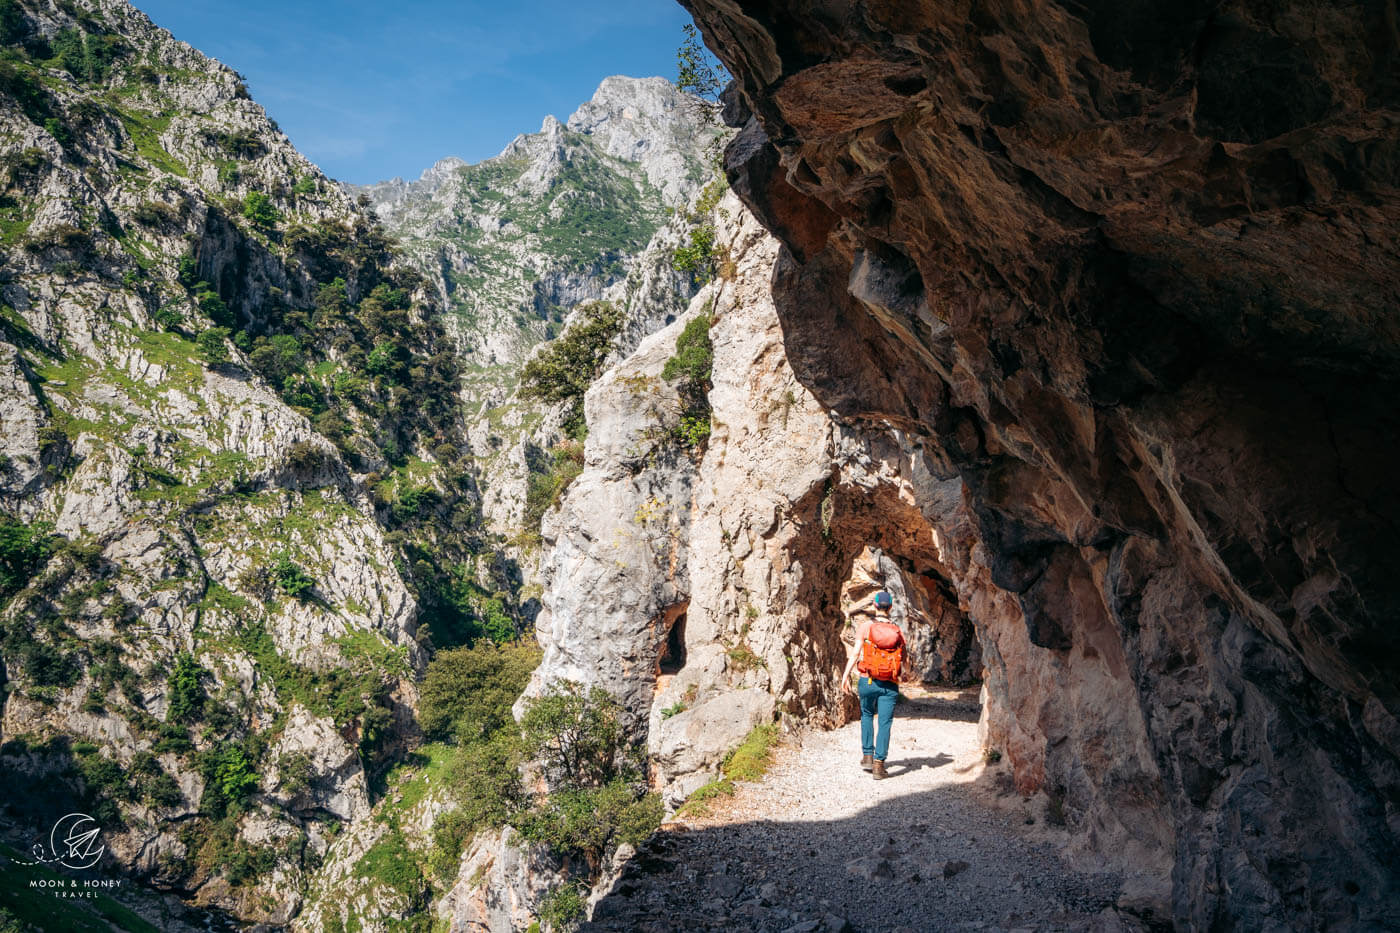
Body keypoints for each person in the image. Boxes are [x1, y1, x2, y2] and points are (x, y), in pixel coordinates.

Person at [840, 589, 904, 779]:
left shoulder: (866, 627)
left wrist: (846, 675)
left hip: (866, 680)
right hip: (889, 683)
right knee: (885, 723)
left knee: (867, 714)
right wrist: (905, 674)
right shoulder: (896, 631)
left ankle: (867, 755)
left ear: (874, 606)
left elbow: (855, 653)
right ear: (890, 607)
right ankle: (878, 765)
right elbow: (904, 658)